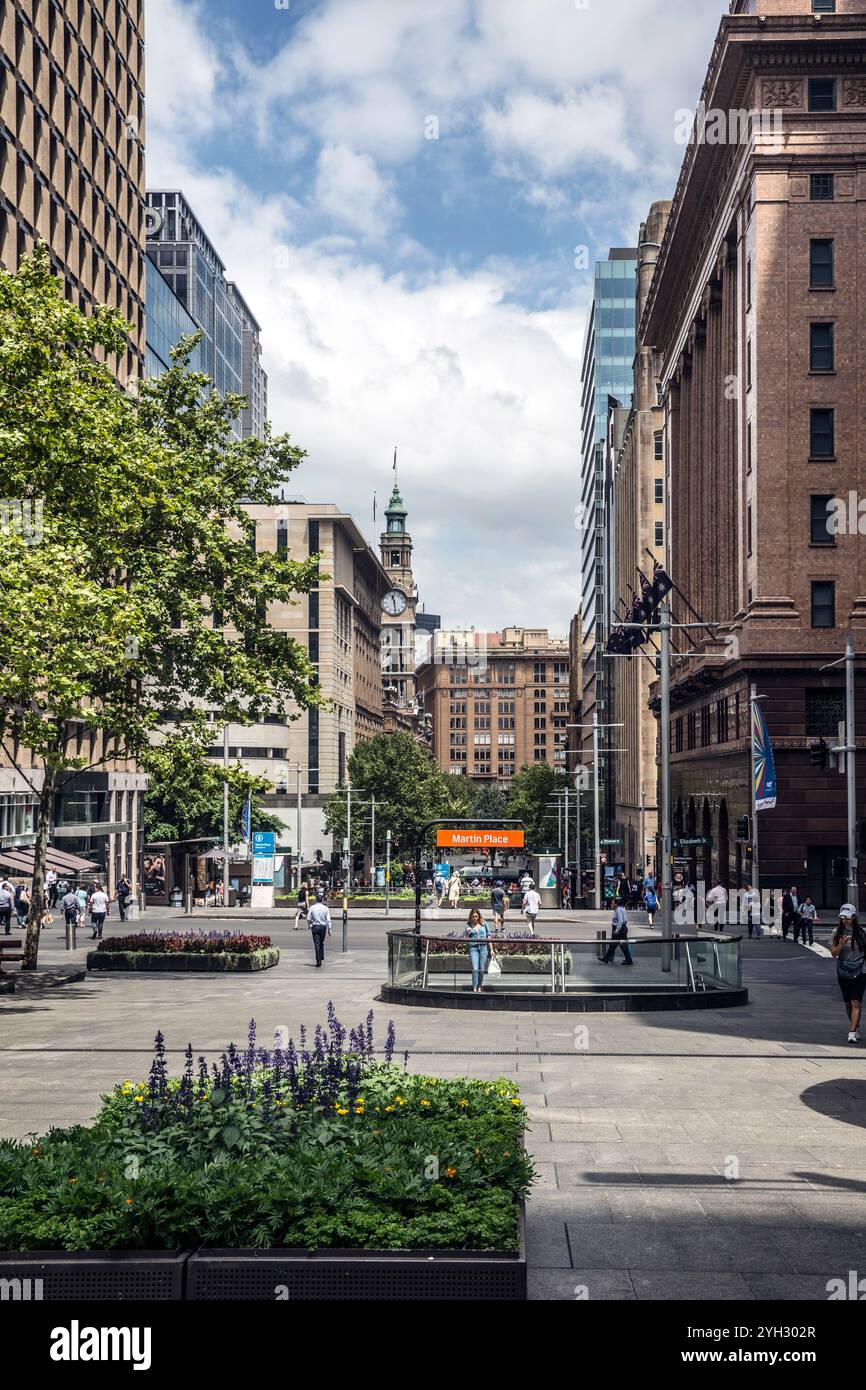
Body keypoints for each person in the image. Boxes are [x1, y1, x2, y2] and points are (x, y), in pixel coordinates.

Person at [829, 904, 866, 1044]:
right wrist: (841, 944)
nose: (845, 920)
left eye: (848, 917)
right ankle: (856, 1026)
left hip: (861, 972)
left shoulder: (862, 933)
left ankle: (852, 1031)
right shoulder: (836, 933)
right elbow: (833, 954)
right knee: (847, 1003)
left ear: (854, 917)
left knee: (856, 1001)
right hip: (844, 972)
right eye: (843, 917)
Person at [465, 907, 493, 993]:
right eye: (473, 917)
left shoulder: (484, 924)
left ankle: (479, 986)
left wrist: (491, 949)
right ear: (471, 917)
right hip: (473, 948)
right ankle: (474, 987)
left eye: (476, 916)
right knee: (475, 968)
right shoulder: (468, 925)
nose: (474, 918)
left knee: (481, 969)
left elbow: (488, 936)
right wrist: (467, 933)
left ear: (479, 916)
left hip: (483, 948)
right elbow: (466, 940)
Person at [307, 888, 332, 967]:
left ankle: (318, 961)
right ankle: (321, 957)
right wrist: (329, 930)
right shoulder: (325, 908)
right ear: (322, 900)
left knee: (317, 944)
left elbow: (308, 918)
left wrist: (310, 924)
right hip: (323, 927)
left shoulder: (312, 907)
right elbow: (328, 920)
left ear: (316, 900)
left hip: (315, 926)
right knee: (321, 942)